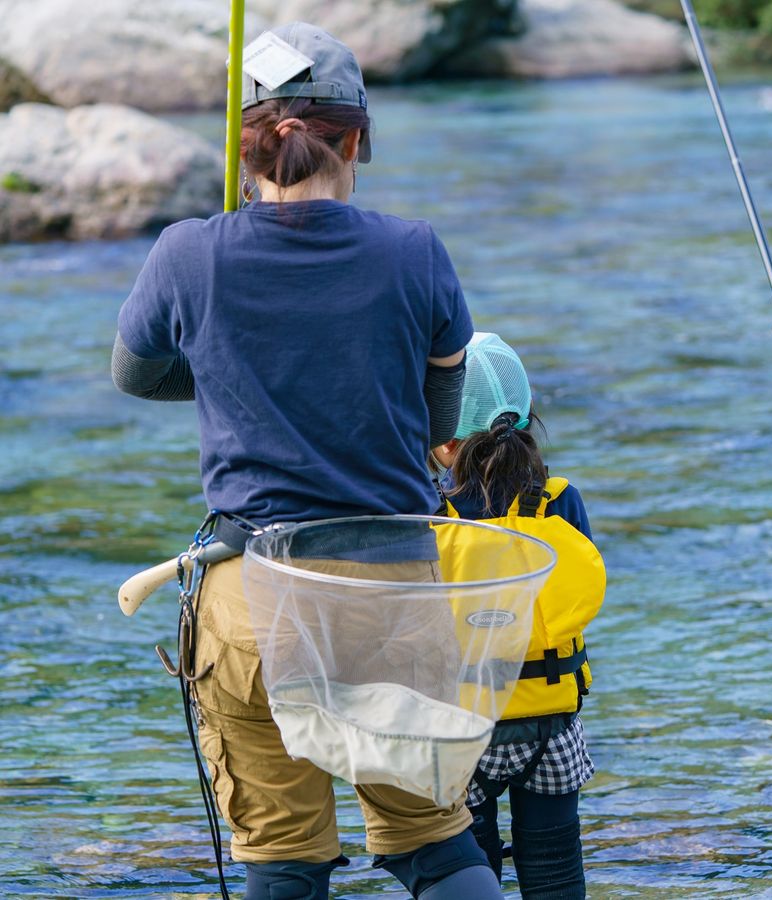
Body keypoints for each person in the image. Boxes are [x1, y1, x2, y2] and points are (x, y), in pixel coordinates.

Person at [111, 22, 504, 899]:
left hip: (253, 599)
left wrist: (229, 375)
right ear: (356, 137)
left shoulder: (187, 252)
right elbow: (438, 407)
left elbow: (135, 376)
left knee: (282, 862)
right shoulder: (416, 250)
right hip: (394, 594)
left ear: (241, 144)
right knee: (435, 843)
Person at [431, 332, 605, 899]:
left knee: (472, 872)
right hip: (552, 723)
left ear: (446, 441)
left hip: (465, 731)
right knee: (556, 870)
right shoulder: (560, 499)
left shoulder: (434, 514)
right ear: (528, 416)